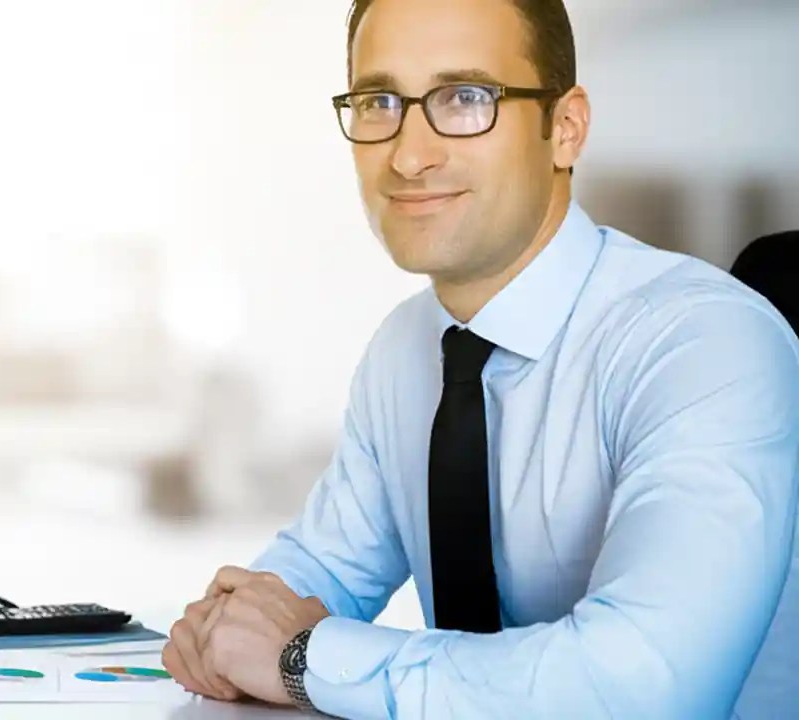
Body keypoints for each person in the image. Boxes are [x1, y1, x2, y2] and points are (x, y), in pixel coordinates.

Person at [159, 0, 799, 717]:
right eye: (379, 101)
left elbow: (643, 685)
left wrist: (308, 659)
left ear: (565, 128)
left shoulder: (703, 342)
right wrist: (228, 629)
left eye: (465, 99)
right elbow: (307, 582)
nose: (408, 154)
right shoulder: (406, 351)